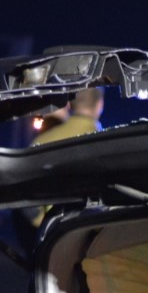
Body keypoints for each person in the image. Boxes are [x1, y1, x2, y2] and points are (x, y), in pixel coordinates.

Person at [16, 87, 107, 242]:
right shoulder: (107, 143)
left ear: (70, 104)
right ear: (100, 104)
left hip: (53, 236)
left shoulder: (42, 142)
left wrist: (42, 222)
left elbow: (23, 190)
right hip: (95, 235)